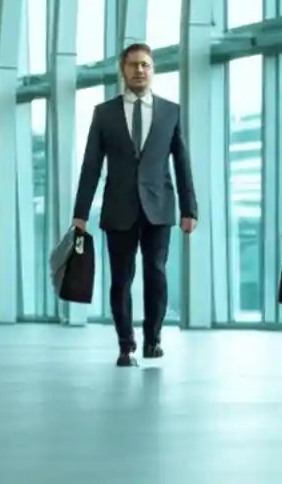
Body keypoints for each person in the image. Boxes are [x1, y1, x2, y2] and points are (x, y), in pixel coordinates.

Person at [73, 43, 197, 367]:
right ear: (123, 70)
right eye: (133, 65)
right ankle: (125, 344)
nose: (139, 71)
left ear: (153, 70)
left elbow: (182, 163)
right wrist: (80, 215)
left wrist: (189, 209)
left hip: (159, 208)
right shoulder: (104, 113)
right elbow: (90, 165)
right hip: (118, 207)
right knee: (121, 279)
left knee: (156, 273)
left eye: (145, 65)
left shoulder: (171, 111)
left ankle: (153, 339)